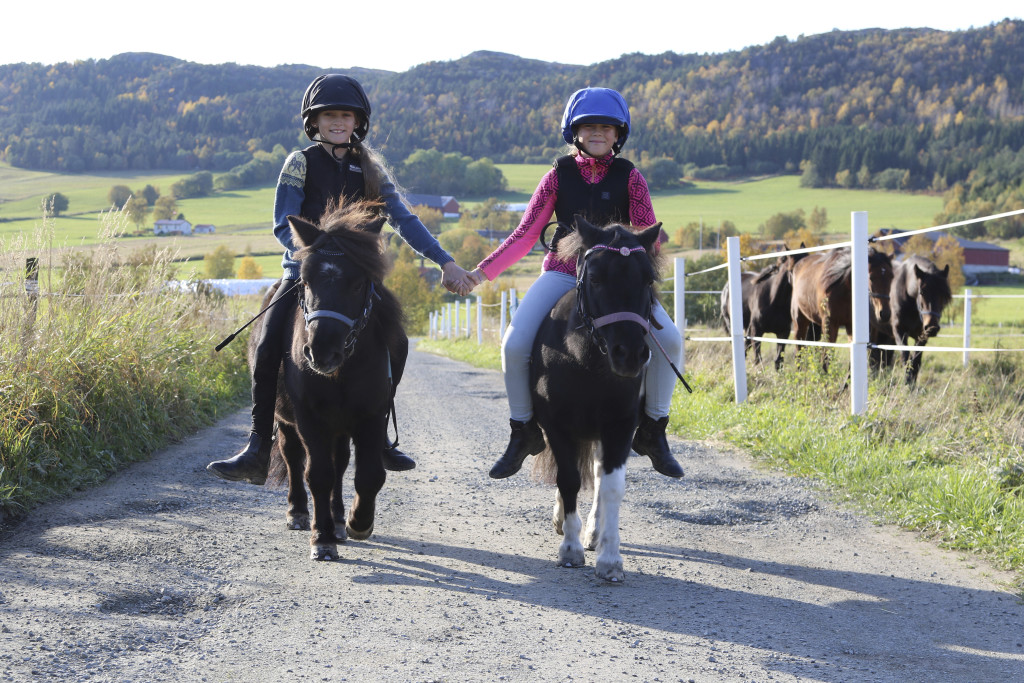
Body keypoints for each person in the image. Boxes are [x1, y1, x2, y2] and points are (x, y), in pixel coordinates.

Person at [208, 74, 473, 485]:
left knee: (397, 341)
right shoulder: (299, 162)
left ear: (357, 122)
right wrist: (315, 250)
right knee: (264, 344)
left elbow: (405, 221)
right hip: (304, 273)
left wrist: (445, 261)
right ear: (314, 121)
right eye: (329, 115)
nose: (337, 122)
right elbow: (283, 224)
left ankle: (380, 433)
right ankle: (259, 444)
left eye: (345, 115)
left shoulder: (371, 170)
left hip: (355, 280)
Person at [465, 87, 684, 480]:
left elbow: (646, 229)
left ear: (619, 134)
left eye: (606, 126)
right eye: (589, 126)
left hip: (617, 282)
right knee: (514, 344)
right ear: (574, 132)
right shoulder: (556, 176)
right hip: (563, 272)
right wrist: (481, 273)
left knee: (670, 341)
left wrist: (649, 244)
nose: (598, 132)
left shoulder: (631, 177)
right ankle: (523, 430)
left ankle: (653, 429)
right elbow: (525, 235)